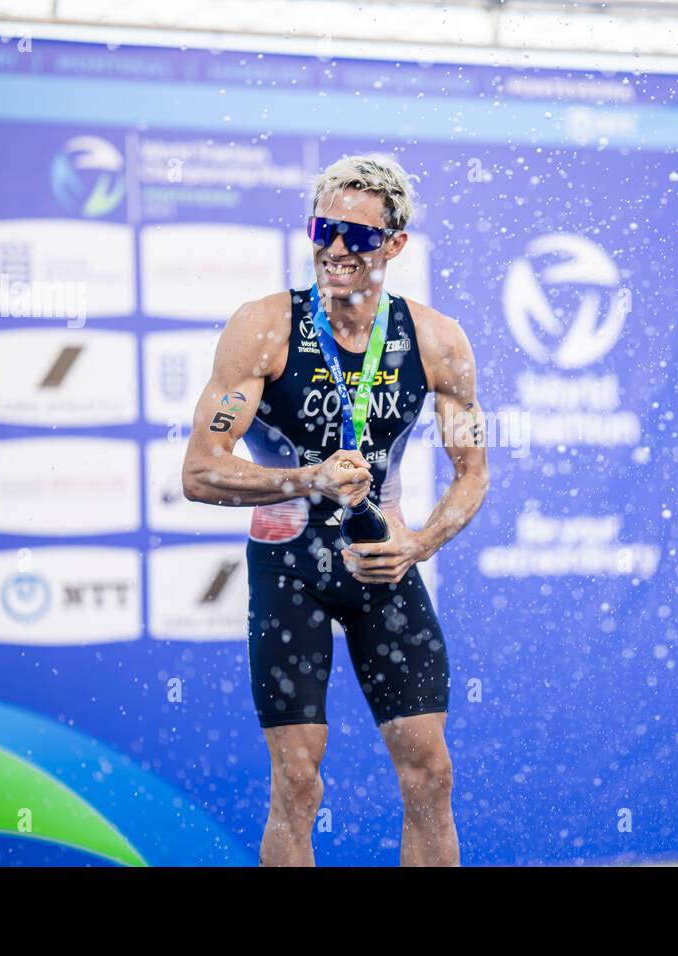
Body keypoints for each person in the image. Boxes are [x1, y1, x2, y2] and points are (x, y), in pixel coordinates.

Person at [181, 154, 489, 866]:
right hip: (290, 571)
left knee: (431, 774)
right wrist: (309, 478)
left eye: (356, 235)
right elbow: (200, 471)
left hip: (383, 567)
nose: (335, 248)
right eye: (323, 228)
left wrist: (420, 545)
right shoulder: (264, 328)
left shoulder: (439, 341)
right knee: (297, 781)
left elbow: (473, 474)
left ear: (395, 246)